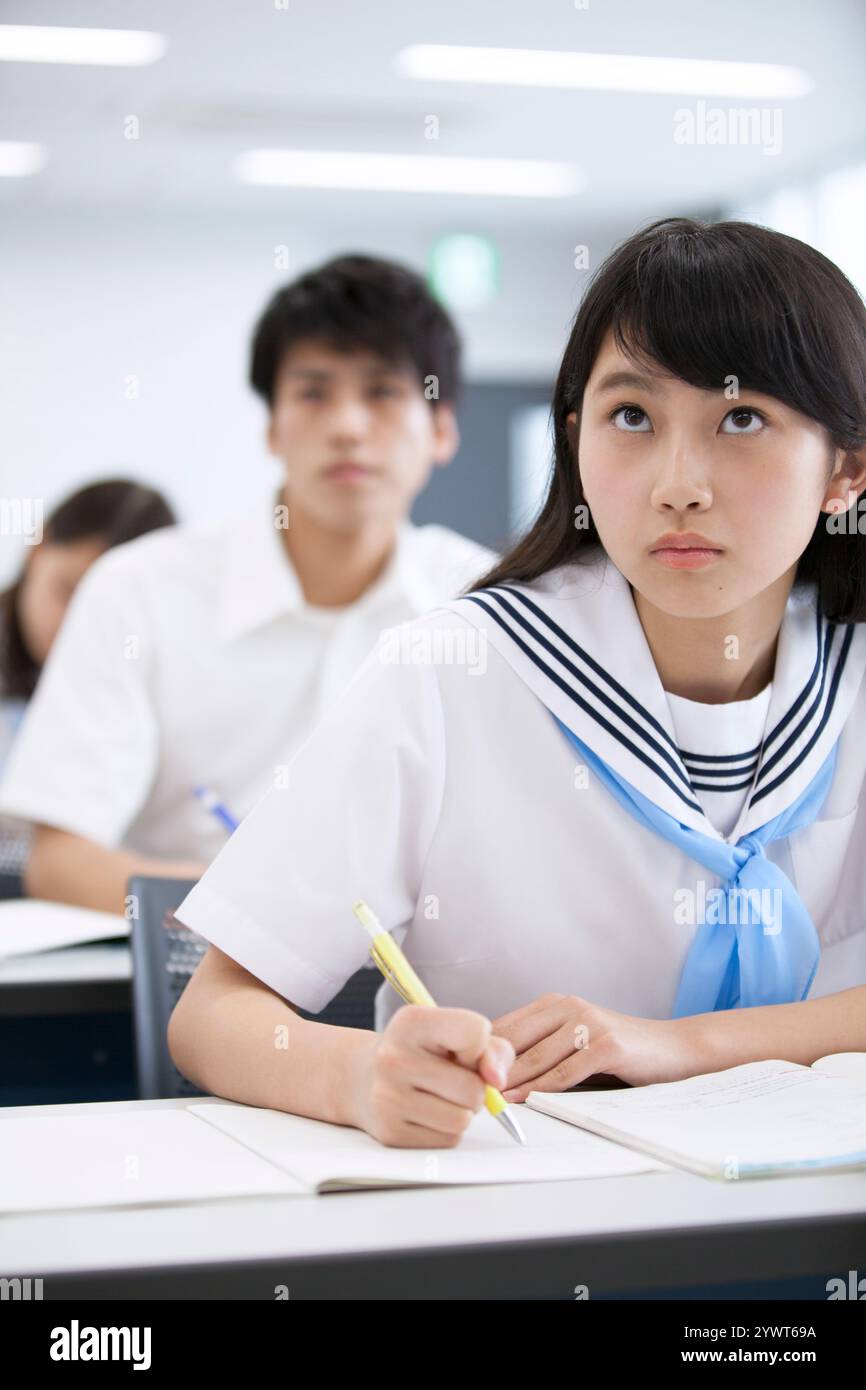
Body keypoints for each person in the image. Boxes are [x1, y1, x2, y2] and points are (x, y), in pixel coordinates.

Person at [169, 218, 866, 1149]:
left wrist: (680, 1046)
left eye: (742, 419)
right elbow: (215, 1011)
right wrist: (360, 1077)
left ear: (847, 469)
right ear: (575, 440)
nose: (677, 482)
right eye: (632, 417)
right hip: (511, 1209)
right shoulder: (452, 671)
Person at [0, 254, 494, 912]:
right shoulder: (140, 590)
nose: (347, 427)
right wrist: (258, 918)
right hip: (193, 975)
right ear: (271, 426)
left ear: (440, 427)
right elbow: (61, 862)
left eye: (383, 392)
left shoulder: (489, 605)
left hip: (431, 991)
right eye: (313, 393)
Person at [0, 479, 174, 876]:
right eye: (67, 591)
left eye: (105, 609)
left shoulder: (162, 678)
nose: (79, 625)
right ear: (37, 547)